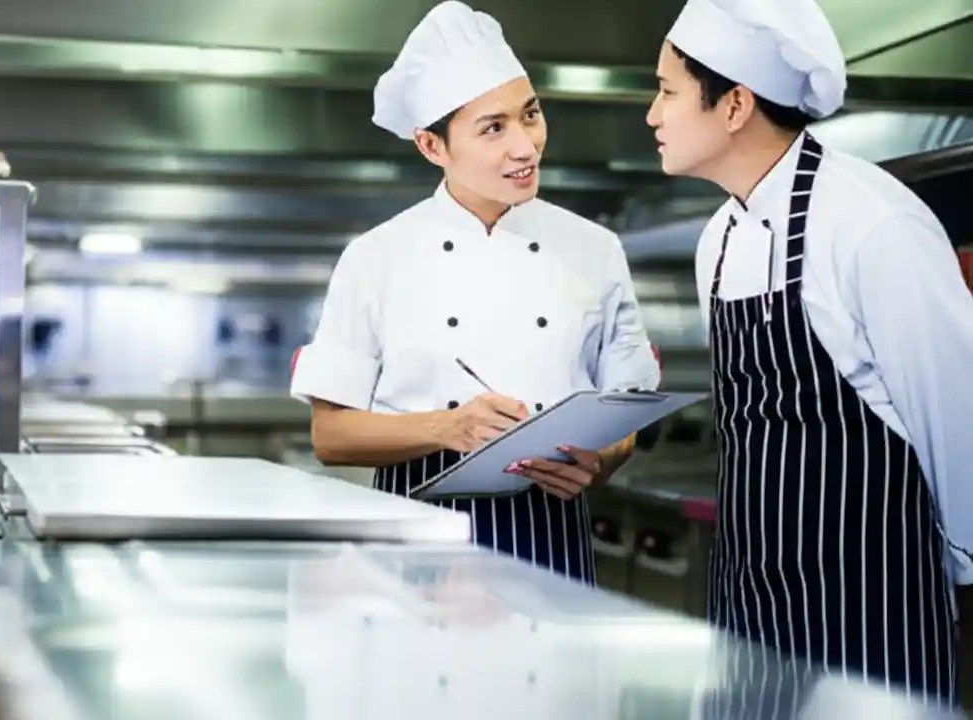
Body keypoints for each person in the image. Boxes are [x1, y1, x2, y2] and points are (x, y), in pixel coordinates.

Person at [647, 0, 973, 704]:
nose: (652, 114)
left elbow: (956, 410)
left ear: (734, 105)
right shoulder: (718, 242)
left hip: (869, 613)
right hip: (747, 609)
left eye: (668, 91)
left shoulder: (871, 223)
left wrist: (960, 578)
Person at [290, 0, 660, 583]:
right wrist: (447, 427)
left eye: (530, 115)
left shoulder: (595, 249)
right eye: (494, 128)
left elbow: (626, 407)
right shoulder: (376, 258)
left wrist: (601, 460)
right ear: (432, 146)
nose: (525, 146)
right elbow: (331, 436)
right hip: (416, 544)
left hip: (552, 537)